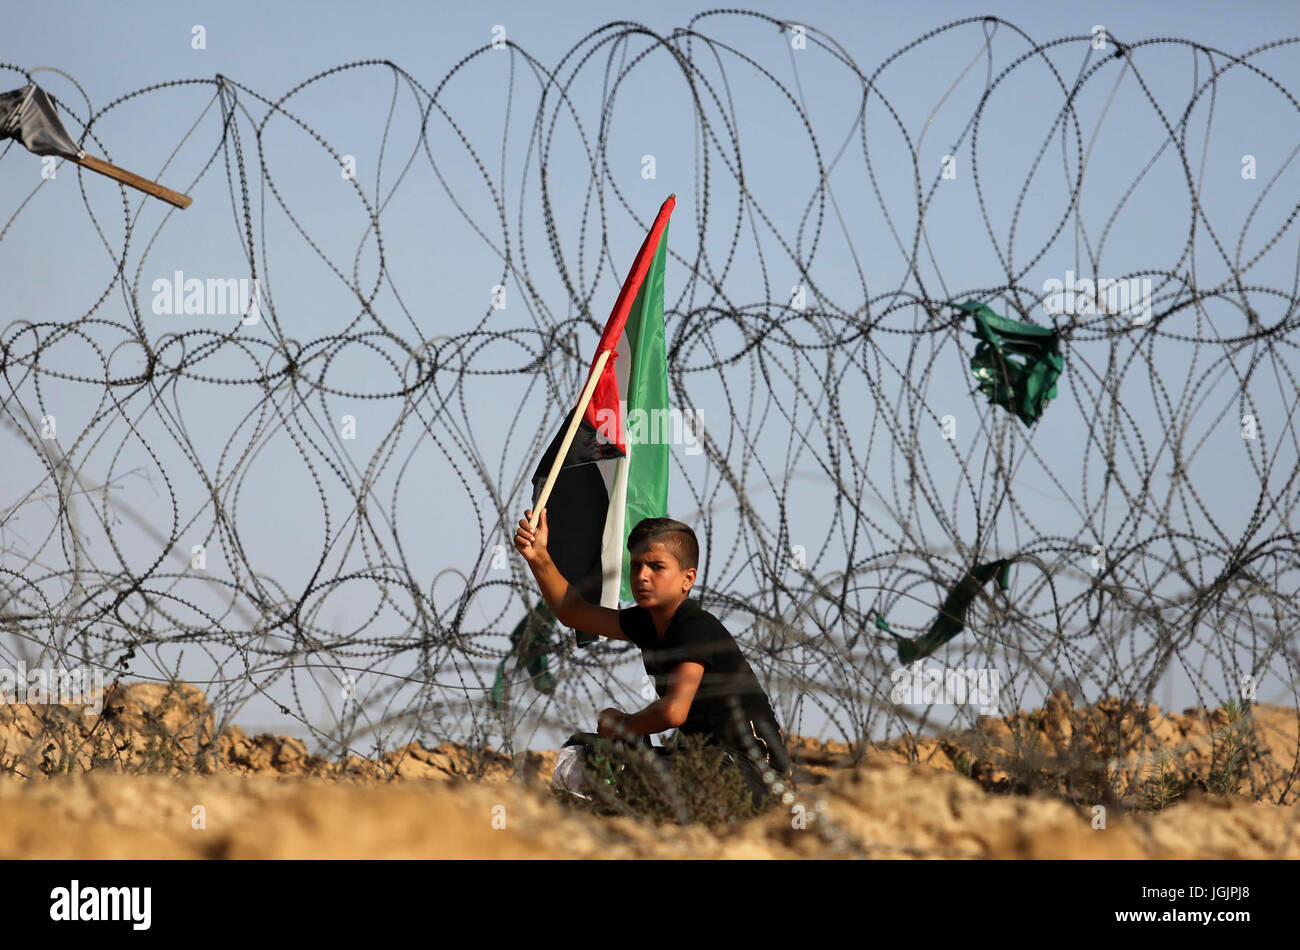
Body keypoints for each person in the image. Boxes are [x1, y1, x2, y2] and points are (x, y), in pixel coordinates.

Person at [515, 506, 793, 812]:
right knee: (586, 753)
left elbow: (674, 712)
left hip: (749, 774)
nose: (642, 576)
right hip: (703, 764)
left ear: (688, 579)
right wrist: (538, 556)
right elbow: (573, 612)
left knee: (632, 773)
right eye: (636, 567)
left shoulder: (694, 626)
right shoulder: (646, 622)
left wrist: (623, 724)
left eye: (656, 567)